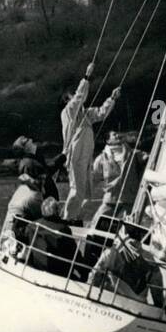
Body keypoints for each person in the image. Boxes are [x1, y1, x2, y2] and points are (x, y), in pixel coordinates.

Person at [60, 62, 121, 223]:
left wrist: (112, 98)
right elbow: (79, 98)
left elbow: (101, 113)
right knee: (77, 189)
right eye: (73, 97)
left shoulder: (85, 114)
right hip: (75, 155)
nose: (77, 99)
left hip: (86, 156)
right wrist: (86, 77)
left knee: (86, 192)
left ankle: (76, 217)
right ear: (68, 100)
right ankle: (67, 218)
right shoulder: (68, 113)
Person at [91, 231, 165, 309]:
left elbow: (94, 275)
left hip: (107, 298)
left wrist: (91, 291)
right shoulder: (150, 260)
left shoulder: (110, 252)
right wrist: (160, 307)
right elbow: (157, 292)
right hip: (136, 306)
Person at [91, 130, 149, 226]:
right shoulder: (101, 158)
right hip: (111, 197)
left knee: (129, 225)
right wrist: (107, 186)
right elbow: (95, 178)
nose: (118, 135)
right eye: (114, 134)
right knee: (99, 221)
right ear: (108, 140)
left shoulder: (133, 153)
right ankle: (91, 238)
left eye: (118, 134)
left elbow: (148, 158)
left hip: (129, 197)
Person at [25, 197, 84, 281]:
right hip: (57, 273)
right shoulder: (63, 229)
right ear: (57, 211)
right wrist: (85, 272)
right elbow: (74, 254)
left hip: (36, 268)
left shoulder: (32, 226)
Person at [11, 135, 63, 199]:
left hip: (44, 201)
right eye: (31, 143)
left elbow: (46, 171)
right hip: (43, 202)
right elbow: (47, 174)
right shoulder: (29, 164)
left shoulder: (30, 161)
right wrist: (61, 158)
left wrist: (61, 158)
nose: (34, 145)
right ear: (26, 148)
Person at [1, 165, 44, 238]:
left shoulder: (21, 189)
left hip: (7, 227)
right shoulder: (35, 196)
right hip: (19, 231)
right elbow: (41, 216)